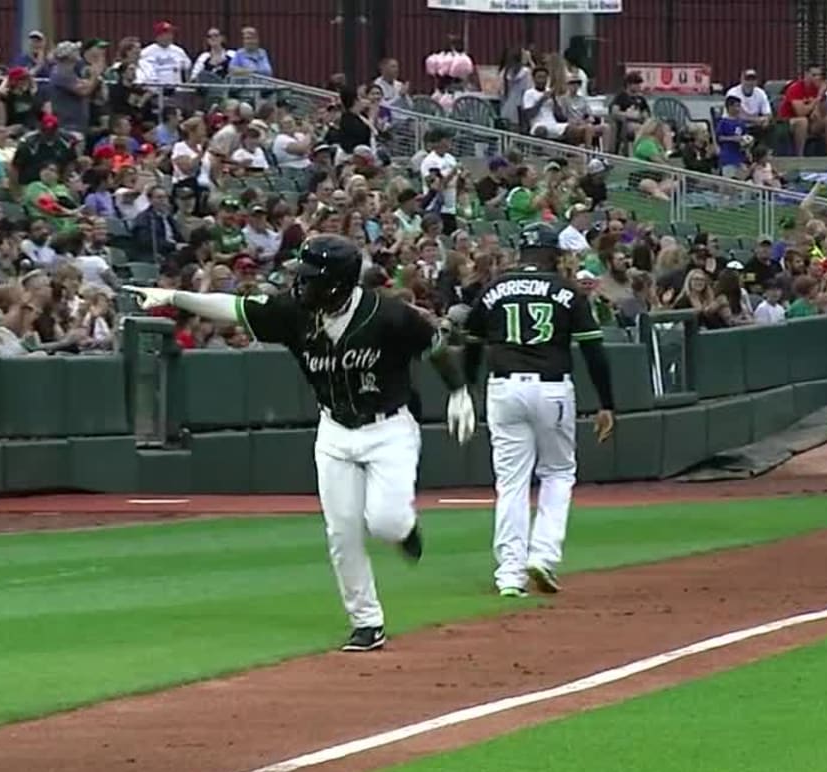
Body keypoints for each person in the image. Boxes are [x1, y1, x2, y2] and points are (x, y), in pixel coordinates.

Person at [125, 234, 475, 653]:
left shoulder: (388, 315)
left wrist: (458, 391)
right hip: (334, 430)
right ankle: (367, 622)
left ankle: (404, 532)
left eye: (312, 279)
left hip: (389, 429)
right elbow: (234, 309)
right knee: (341, 531)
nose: (301, 286)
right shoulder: (295, 313)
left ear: (338, 284)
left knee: (385, 522)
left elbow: (434, 345)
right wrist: (174, 297)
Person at [462, 222, 616, 598]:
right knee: (558, 472)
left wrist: (464, 390)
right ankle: (543, 556)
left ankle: (509, 575)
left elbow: (470, 341)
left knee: (511, 483)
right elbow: (593, 350)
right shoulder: (566, 290)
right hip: (552, 388)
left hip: (504, 388)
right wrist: (607, 403)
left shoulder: (495, 287)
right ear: (553, 254)